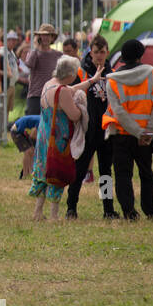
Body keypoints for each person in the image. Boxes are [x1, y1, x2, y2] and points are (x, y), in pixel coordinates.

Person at [102, 38, 153, 221]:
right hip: (145, 137)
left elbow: (119, 113)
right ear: (140, 55)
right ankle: (152, 210)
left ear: (122, 57)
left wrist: (136, 131)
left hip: (121, 135)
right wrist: (146, 132)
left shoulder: (112, 81)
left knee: (123, 175)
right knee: (146, 173)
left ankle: (129, 212)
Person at [29, 56, 98, 222]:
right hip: (59, 138)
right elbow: (74, 114)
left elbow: (71, 89)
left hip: (44, 137)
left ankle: (38, 212)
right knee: (57, 173)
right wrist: (83, 108)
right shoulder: (63, 91)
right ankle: (54, 215)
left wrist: (92, 81)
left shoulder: (50, 84)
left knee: (44, 173)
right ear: (70, 74)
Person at [65, 35, 118, 220]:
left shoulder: (112, 72)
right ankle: (71, 207)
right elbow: (70, 94)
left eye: (103, 52)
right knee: (79, 170)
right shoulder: (82, 71)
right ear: (90, 52)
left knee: (106, 171)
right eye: (96, 52)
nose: (99, 56)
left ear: (107, 53)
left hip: (106, 130)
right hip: (88, 129)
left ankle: (108, 209)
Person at [24, 24, 61, 116]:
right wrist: (36, 47)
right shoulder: (34, 53)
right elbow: (29, 64)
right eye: (43, 35)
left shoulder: (58, 55)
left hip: (51, 94)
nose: (46, 38)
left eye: (48, 35)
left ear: (53, 38)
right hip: (36, 94)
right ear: (39, 37)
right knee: (33, 125)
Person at [9, 114, 41, 179]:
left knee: (32, 151)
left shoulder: (41, 119)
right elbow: (33, 135)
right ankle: (25, 174)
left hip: (23, 131)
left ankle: (31, 172)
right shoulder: (40, 121)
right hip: (16, 131)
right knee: (28, 151)